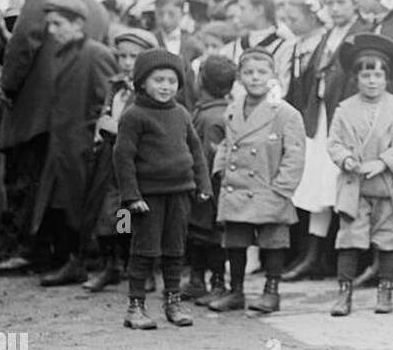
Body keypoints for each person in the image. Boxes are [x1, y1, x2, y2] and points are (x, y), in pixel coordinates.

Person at [0, 0, 109, 272]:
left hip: (35, 109)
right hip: (76, 112)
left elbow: (22, 44)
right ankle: (61, 252)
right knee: (58, 183)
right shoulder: (98, 8)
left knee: (27, 180)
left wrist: (7, 87)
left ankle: (30, 251)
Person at [112, 48, 212, 329]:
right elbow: (122, 158)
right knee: (143, 250)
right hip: (147, 198)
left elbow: (195, 150)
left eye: (171, 81)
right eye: (158, 80)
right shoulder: (134, 115)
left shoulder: (181, 113)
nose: (166, 87)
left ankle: (173, 302)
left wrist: (203, 184)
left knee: (175, 249)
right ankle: (135, 306)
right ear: (142, 82)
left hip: (180, 193)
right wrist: (131, 197)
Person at [327, 34, 393, 316]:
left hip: (390, 186)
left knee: (389, 240)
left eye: (378, 75)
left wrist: (383, 161)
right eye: (366, 74)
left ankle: (386, 292)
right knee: (349, 239)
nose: (372, 81)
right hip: (355, 187)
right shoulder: (345, 110)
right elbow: (334, 143)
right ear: (356, 77)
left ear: (387, 78)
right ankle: (345, 294)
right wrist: (345, 159)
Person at [208, 49, 307, 314]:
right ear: (239, 77)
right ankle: (236, 291)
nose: (255, 78)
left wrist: (282, 188)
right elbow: (226, 145)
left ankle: (271, 292)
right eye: (249, 73)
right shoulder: (232, 110)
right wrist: (220, 171)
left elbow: (295, 155)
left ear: (273, 76)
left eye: (262, 72)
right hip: (237, 187)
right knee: (235, 240)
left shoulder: (285, 113)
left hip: (268, 188)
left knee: (273, 241)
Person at [30, 0, 120, 286]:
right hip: (62, 146)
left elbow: (108, 102)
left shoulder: (96, 54)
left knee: (94, 208)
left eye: (58, 24)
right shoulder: (62, 53)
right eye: (50, 25)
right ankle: (74, 263)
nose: (52, 31)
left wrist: (91, 138)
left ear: (78, 23)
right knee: (63, 204)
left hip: (84, 148)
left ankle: (105, 265)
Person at [284, 0, 362, 281]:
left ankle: (339, 258)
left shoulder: (359, 34)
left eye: (341, 2)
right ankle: (313, 255)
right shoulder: (328, 35)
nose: (335, 8)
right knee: (318, 185)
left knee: (341, 186)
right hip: (321, 118)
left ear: (355, 3)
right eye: (330, 3)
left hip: (344, 118)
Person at [83, 28, 158, 292]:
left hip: (137, 164)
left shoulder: (150, 92)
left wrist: (119, 129)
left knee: (134, 215)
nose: (127, 62)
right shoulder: (115, 86)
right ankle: (109, 265)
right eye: (122, 56)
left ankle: (140, 268)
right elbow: (106, 113)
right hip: (111, 160)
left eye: (134, 57)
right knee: (108, 214)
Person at [185, 54, 237, 306]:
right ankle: (196, 280)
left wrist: (199, 186)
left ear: (202, 82)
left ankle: (217, 282)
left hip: (208, 189)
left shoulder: (213, 118)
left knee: (210, 236)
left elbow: (206, 158)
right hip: (207, 188)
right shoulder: (208, 112)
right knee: (197, 234)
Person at [220, 0, 292, 97]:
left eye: (243, 8)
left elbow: (283, 88)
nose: (239, 14)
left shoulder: (284, 46)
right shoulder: (235, 46)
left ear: (259, 10)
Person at [151, 0, 201, 105]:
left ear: (182, 14)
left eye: (171, 14)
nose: (165, 19)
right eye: (160, 14)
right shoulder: (150, 40)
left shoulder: (193, 43)